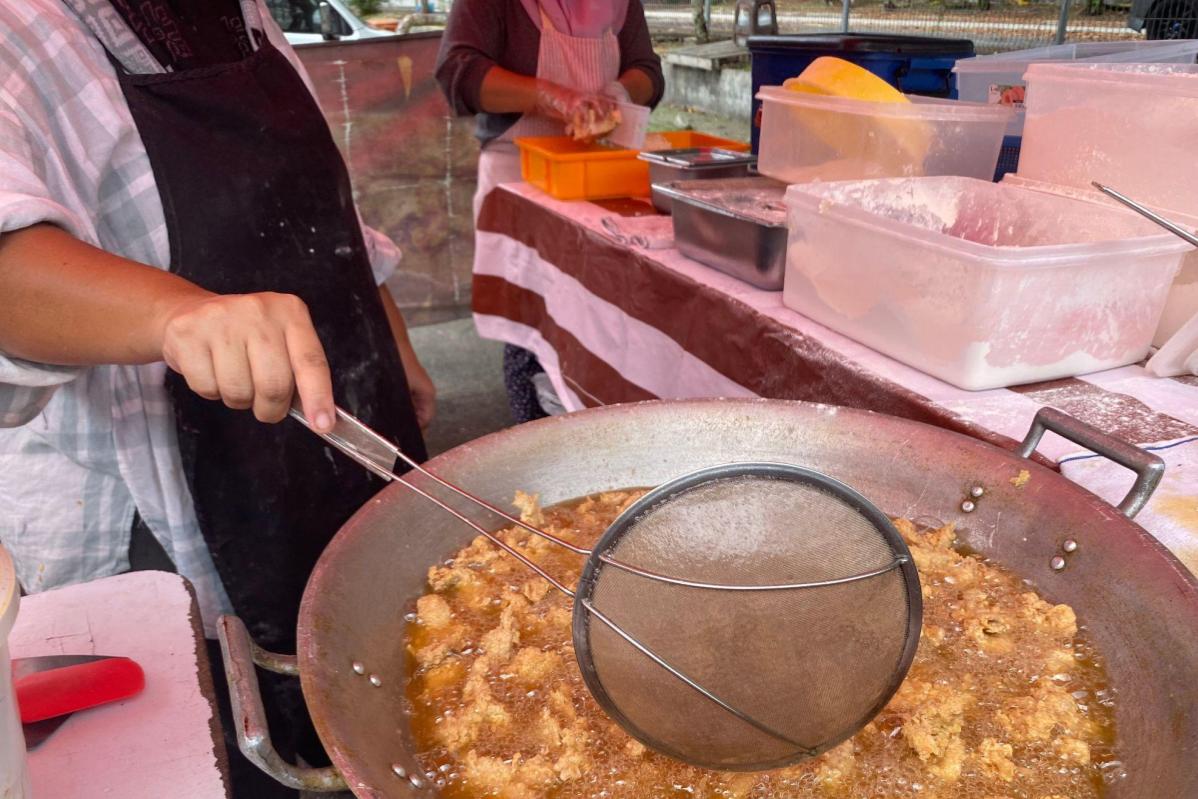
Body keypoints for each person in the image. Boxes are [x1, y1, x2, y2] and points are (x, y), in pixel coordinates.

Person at [0, 0, 434, 794]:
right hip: (166, 513)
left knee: (389, 678)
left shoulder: (244, 14)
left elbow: (320, 203)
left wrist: (389, 339)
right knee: (233, 747)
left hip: (330, 443)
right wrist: (177, 315)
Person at [436, 0, 664, 422]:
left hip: (602, 175)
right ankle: (536, 436)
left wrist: (616, 94)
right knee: (534, 327)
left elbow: (648, 70)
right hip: (520, 177)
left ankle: (604, 428)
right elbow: (458, 70)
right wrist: (549, 96)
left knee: (602, 319)